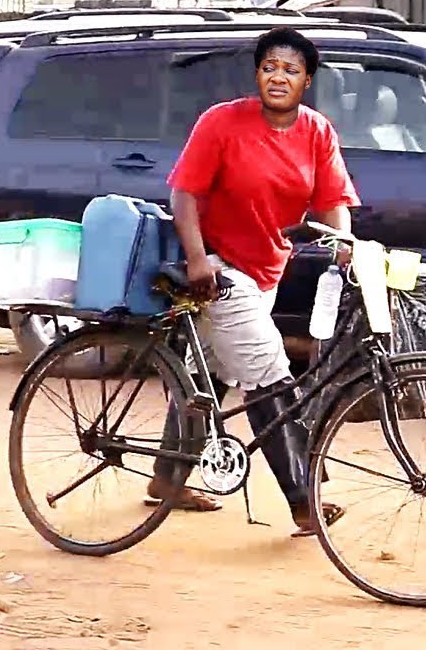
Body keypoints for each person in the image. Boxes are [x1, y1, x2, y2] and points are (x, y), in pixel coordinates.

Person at [147, 27, 360, 538]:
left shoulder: (316, 131)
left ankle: (167, 477)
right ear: (257, 74)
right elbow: (184, 194)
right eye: (269, 67)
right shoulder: (221, 122)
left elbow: (332, 200)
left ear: (307, 80)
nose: (278, 77)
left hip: (267, 270)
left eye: (291, 70)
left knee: (211, 377)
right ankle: (303, 500)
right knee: (268, 376)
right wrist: (198, 260)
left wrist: (344, 242)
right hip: (219, 271)